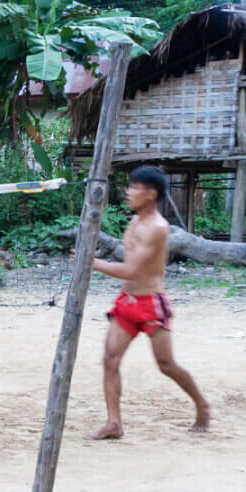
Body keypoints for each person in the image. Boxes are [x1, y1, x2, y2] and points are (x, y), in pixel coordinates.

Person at [88, 165, 210, 439]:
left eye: (135, 188)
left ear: (151, 194)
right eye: (129, 186)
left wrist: (92, 263)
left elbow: (132, 270)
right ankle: (114, 423)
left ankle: (201, 404)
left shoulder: (157, 228)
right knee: (110, 359)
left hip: (151, 304)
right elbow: (128, 262)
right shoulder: (135, 222)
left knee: (165, 364)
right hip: (127, 302)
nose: (128, 192)